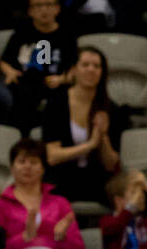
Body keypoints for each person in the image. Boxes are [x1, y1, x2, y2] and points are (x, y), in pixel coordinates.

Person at [42, 46, 123, 207]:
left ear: (102, 73)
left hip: (96, 178)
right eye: (85, 65)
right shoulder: (56, 104)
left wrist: (103, 137)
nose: (91, 70)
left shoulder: (110, 108)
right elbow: (52, 156)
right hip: (62, 177)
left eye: (96, 66)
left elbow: (110, 164)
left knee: (132, 191)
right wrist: (90, 145)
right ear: (74, 70)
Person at [0, 0, 77, 136]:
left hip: (55, 83)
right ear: (30, 11)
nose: (44, 10)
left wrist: (62, 79)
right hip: (26, 82)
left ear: (57, 8)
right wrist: (10, 72)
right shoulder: (22, 32)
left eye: (49, 5)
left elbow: (75, 68)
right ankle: (19, 138)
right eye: (38, 5)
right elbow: (4, 61)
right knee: (19, 96)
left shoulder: (67, 34)